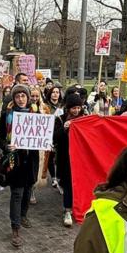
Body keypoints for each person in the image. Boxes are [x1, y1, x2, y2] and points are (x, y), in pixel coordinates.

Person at [0, 84, 41, 248]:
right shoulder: (7, 114)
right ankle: (15, 228)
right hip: (14, 161)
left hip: (30, 160)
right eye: (17, 96)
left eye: (23, 96)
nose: (21, 99)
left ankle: (23, 215)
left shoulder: (36, 114)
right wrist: (6, 145)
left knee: (28, 190)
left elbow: (43, 135)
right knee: (17, 193)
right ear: (14, 98)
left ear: (28, 97)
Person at [53, 92, 86, 227]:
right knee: (67, 184)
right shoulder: (60, 119)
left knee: (79, 184)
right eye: (74, 108)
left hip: (81, 159)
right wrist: (63, 128)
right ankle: (67, 210)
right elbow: (54, 137)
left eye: (78, 108)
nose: (76, 111)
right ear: (68, 108)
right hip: (66, 159)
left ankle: (79, 207)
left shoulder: (85, 119)